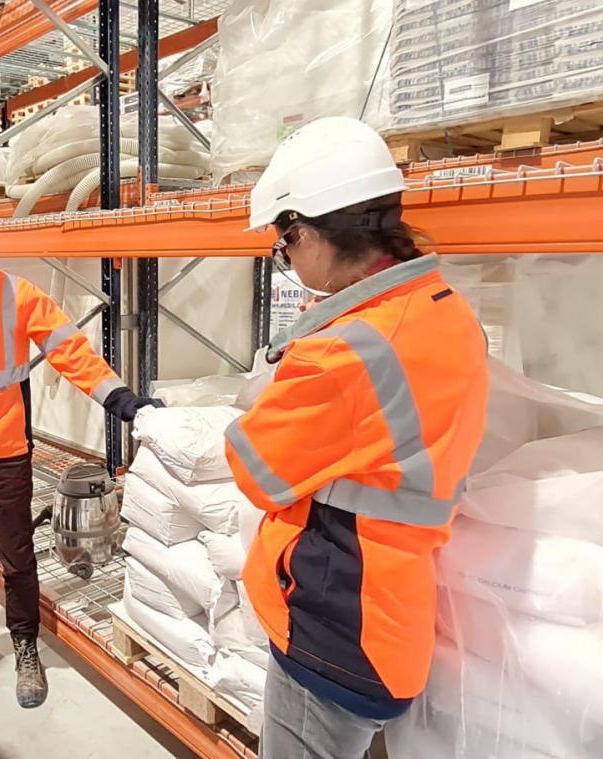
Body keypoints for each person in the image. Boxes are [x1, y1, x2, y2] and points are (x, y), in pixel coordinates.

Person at [224, 116, 489, 758]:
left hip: (334, 627)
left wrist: (262, 392)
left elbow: (254, 467)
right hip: (386, 615)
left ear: (308, 232)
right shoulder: (448, 313)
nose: (285, 258)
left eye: (284, 243)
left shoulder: (342, 353)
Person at [0, 186, 162, 709]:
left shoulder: (15, 294)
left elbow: (71, 351)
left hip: (4, 453)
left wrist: (118, 398)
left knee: (17, 557)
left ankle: (24, 643)